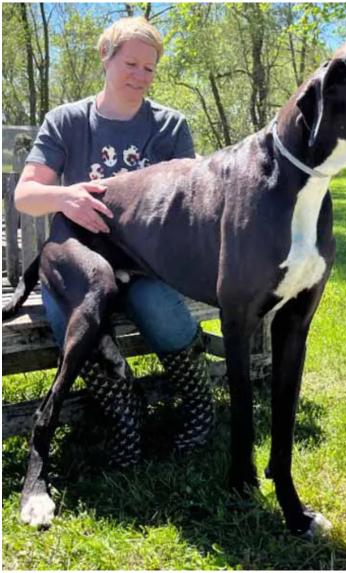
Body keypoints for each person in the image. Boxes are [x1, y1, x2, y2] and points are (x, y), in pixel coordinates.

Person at [14, 16, 214, 468]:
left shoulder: (169, 126)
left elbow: (187, 203)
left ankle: (198, 407)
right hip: (78, 263)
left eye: (149, 68)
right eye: (131, 63)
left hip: (143, 262)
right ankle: (126, 419)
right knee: (80, 327)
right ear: (105, 57)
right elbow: (26, 196)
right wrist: (65, 197)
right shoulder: (67, 120)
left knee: (160, 309)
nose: (140, 76)